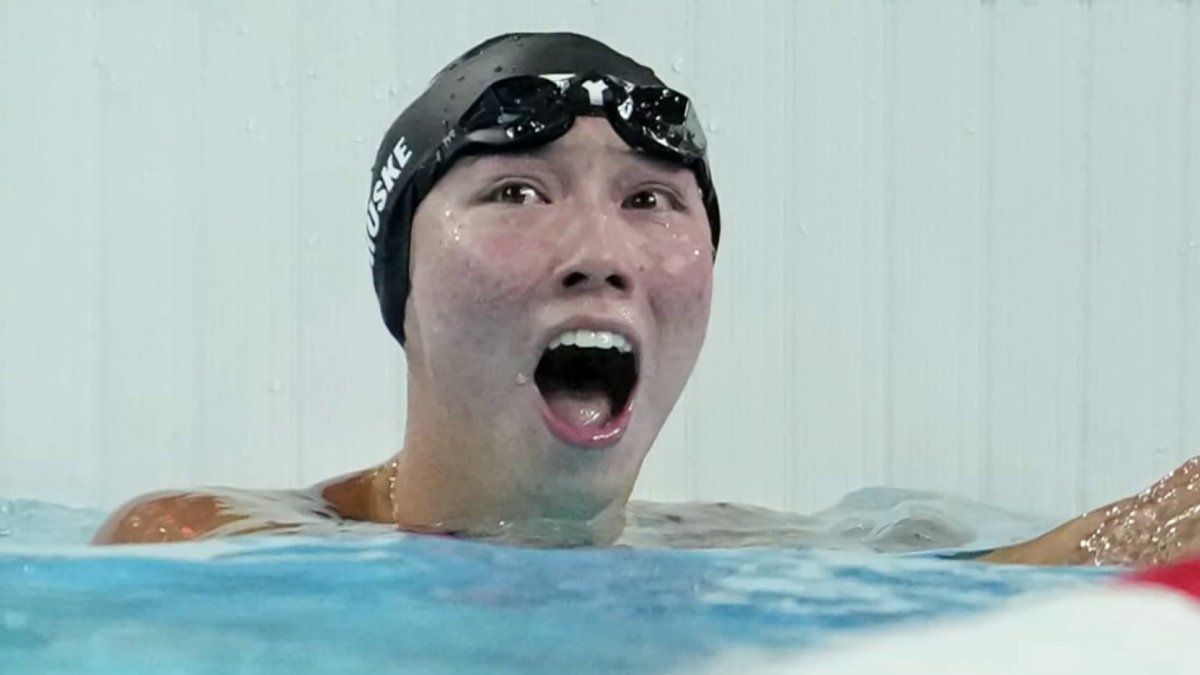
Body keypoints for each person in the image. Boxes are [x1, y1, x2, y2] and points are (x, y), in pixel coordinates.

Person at [91, 32, 1200, 567]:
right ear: (403, 283)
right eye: (517, 191)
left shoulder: (745, 555)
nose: (600, 253)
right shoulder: (206, 546)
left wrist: (1151, 528)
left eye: (652, 201)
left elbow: (1000, 581)